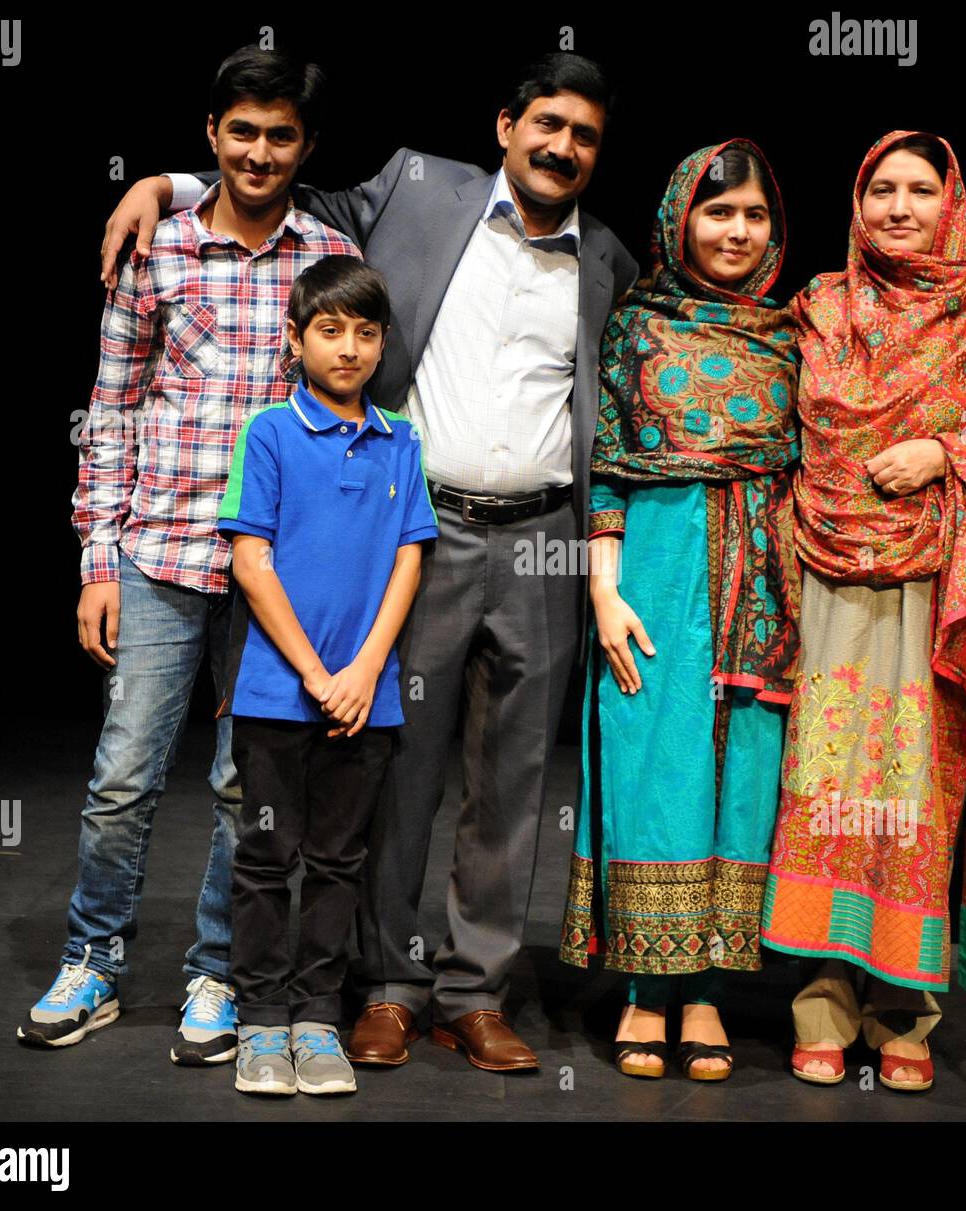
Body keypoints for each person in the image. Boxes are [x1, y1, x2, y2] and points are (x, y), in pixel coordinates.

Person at [98, 52, 637, 1072]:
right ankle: (388, 982)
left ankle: (476, 992)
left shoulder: (605, 257)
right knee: (396, 769)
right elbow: (272, 187)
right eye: (547, 125)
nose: (562, 147)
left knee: (511, 782)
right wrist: (160, 183)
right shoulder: (418, 189)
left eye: (584, 136)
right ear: (505, 125)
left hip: (540, 544)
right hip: (422, 534)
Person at [18, 46, 358, 1064]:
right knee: (123, 774)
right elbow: (111, 411)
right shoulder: (155, 251)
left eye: (281, 135)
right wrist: (96, 558)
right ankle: (95, 960)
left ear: (306, 146)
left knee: (237, 787)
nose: (259, 153)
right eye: (241, 132)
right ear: (211, 136)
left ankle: (217, 969)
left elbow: (343, 418)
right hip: (159, 560)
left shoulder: (327, 256)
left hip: (272, 579)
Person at [759, 131, 966, 1092]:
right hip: (823, 580)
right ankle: (819, 1001)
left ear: (954, 204)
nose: (900, 208)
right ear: (856, 205)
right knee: (821, 791)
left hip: (937, 587)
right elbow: (769, 424)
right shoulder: (816, 306)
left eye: (920, 191)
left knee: (911, 800)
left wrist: (947, 455)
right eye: (881, 191)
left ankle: (906, 1012)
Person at [559, 140, 800, 1081]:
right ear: (681, 219)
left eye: (753, 217)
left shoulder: (791, 331)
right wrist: (603, 589)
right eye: (717, 211)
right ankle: (644, 992)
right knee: (653, 766)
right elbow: (610, 462)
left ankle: (706, 993)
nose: (735, 231)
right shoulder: (638, 325)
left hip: (766, 582)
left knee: (741, 768)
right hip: (656, 574)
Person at [217, 256, 438, 1095]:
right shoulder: (271, 431)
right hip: (280, 693)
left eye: (365, 332)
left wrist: (365, 667)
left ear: (382, 343)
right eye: (330, 330)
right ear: (297, 339)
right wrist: (316, 671)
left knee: (342, 861)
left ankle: (316, 1019)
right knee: (269, 855)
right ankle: (260, 1021)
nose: (349, 348)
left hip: (366, 697)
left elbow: (411, 556)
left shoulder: (401, 438)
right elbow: (251, 559)